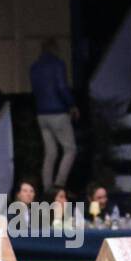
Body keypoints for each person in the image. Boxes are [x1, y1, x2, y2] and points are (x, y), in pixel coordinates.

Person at [30, 39, 79, 190]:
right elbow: (62, 87)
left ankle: (47, 187)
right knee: (70, 149)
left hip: (41, 114)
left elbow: (35, 90)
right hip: (58, 112)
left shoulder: (34, 67)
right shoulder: (58, 64)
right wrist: (72, 105)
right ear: (55, 49)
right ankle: (59, 183)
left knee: (50, 152)